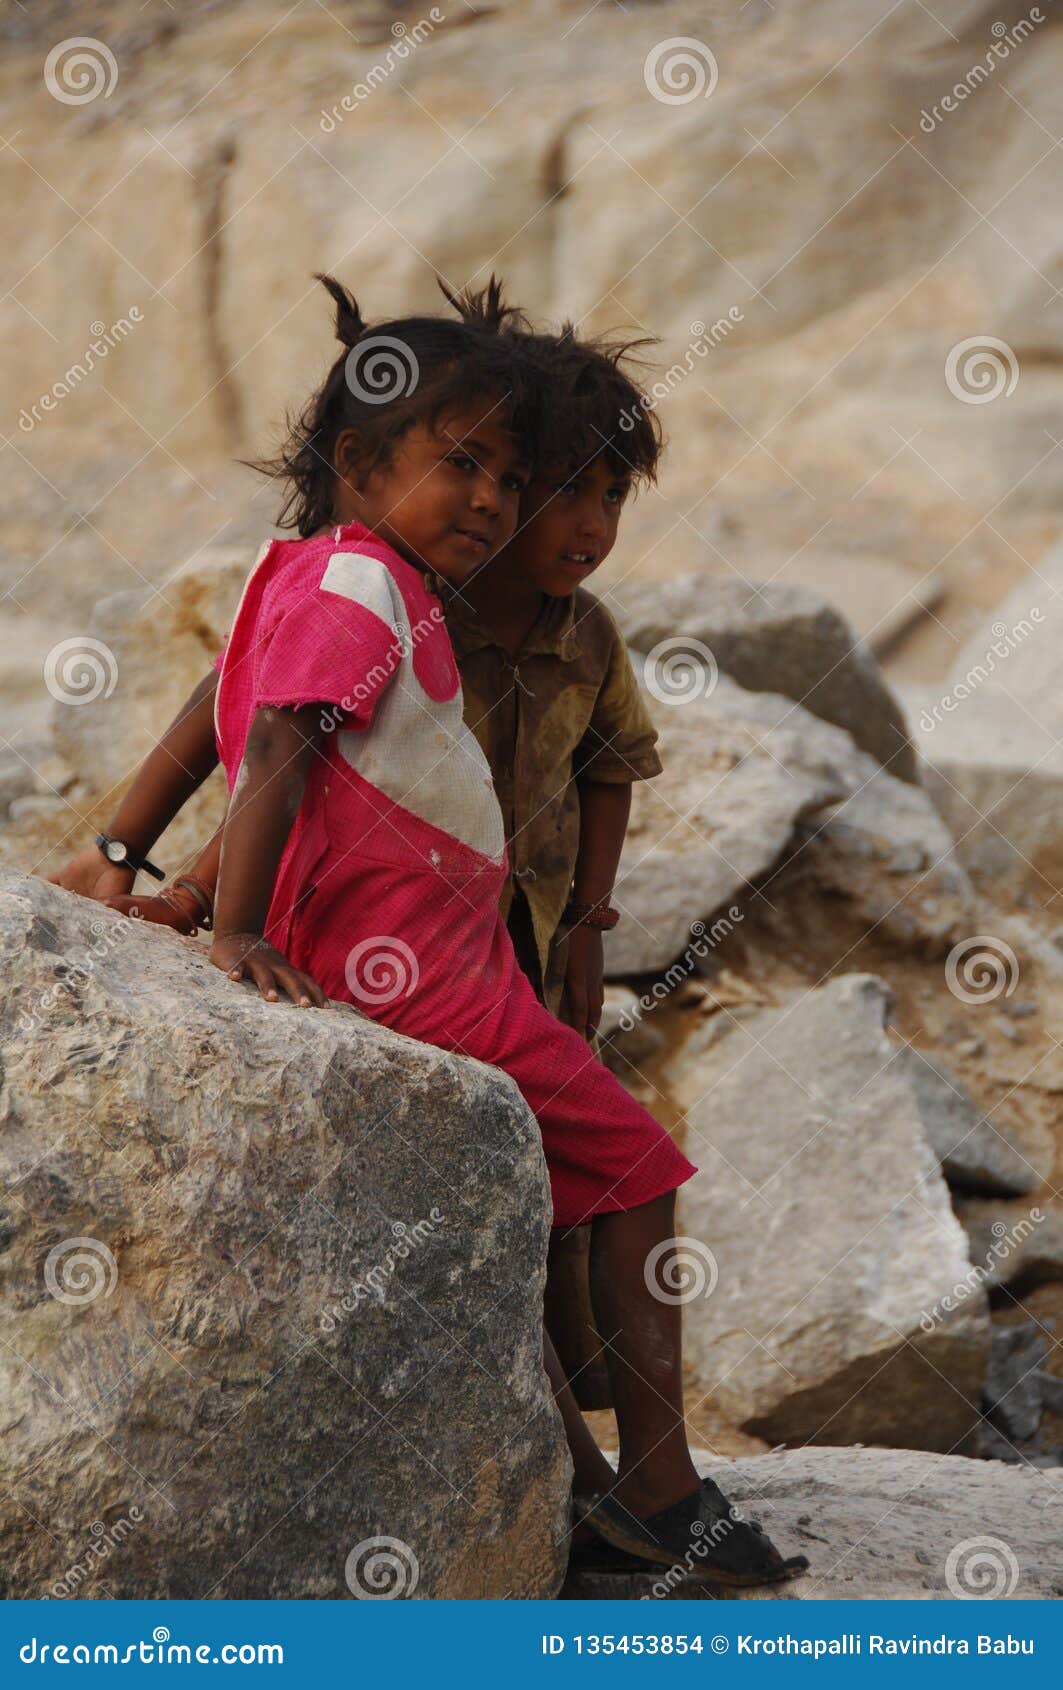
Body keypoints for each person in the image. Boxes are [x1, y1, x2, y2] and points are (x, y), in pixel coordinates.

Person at [49, 274, 808, 1587]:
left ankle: (585, 1486)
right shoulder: (375, 583)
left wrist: (584, 933)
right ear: (361, 462)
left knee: (511, 1222)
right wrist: (206, 905)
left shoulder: (487, 608)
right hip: (418, 957)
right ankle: (666, 1491)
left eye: (545, 486)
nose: (523, 512)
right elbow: (281, 735)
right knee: (635, 1174)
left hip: (485, 942)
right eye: (490, 475)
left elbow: (380, 759)